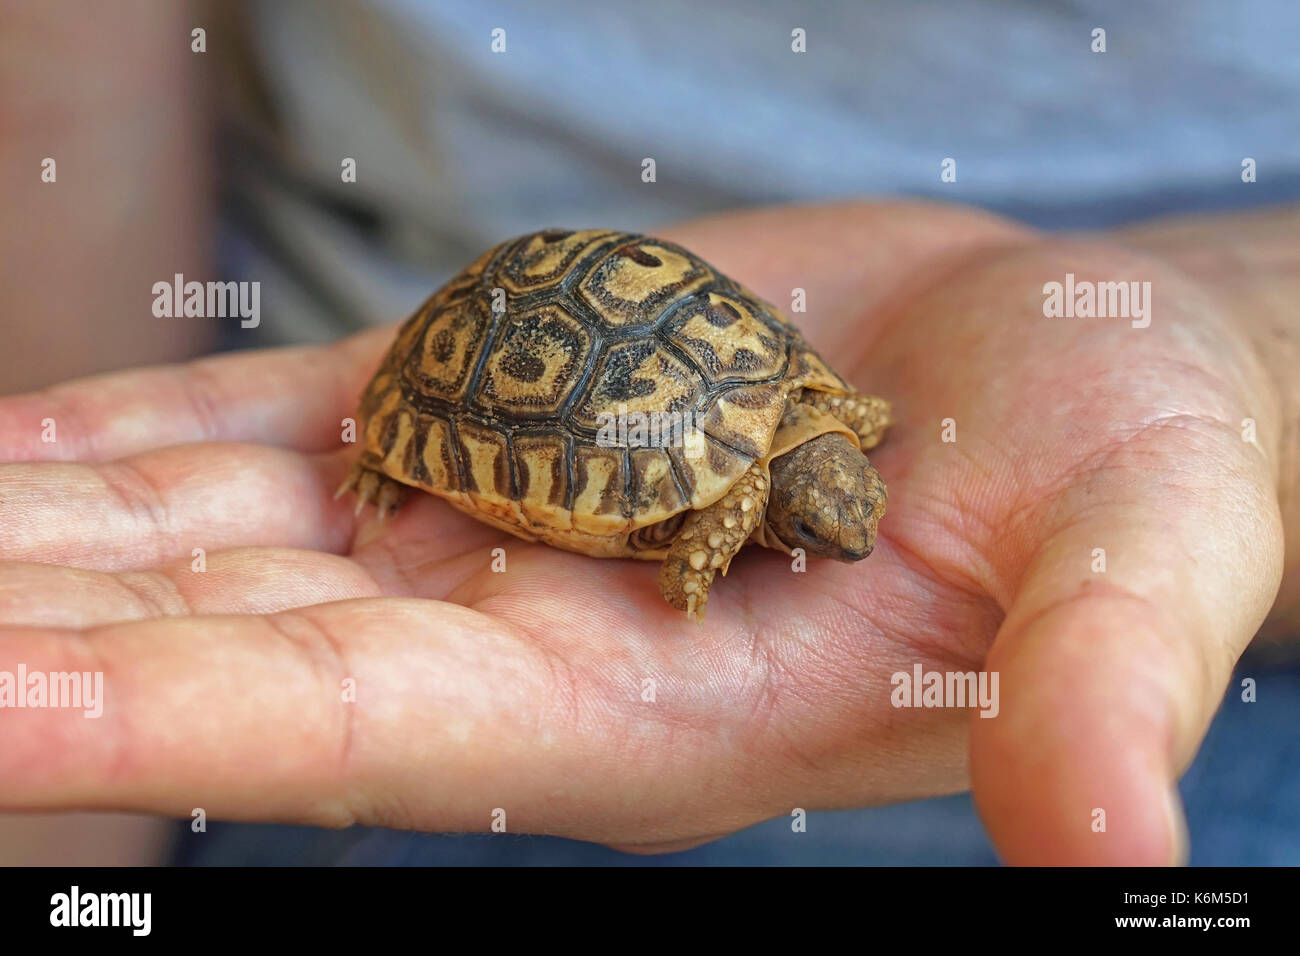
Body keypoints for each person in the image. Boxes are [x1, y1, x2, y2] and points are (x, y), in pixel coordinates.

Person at [1, 0, 1297, 866]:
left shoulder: (816, 429)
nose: (843, 541)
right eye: (824, 517)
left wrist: (1246, 348)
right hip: (344, 370)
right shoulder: (759, 461)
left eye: (841, 513)